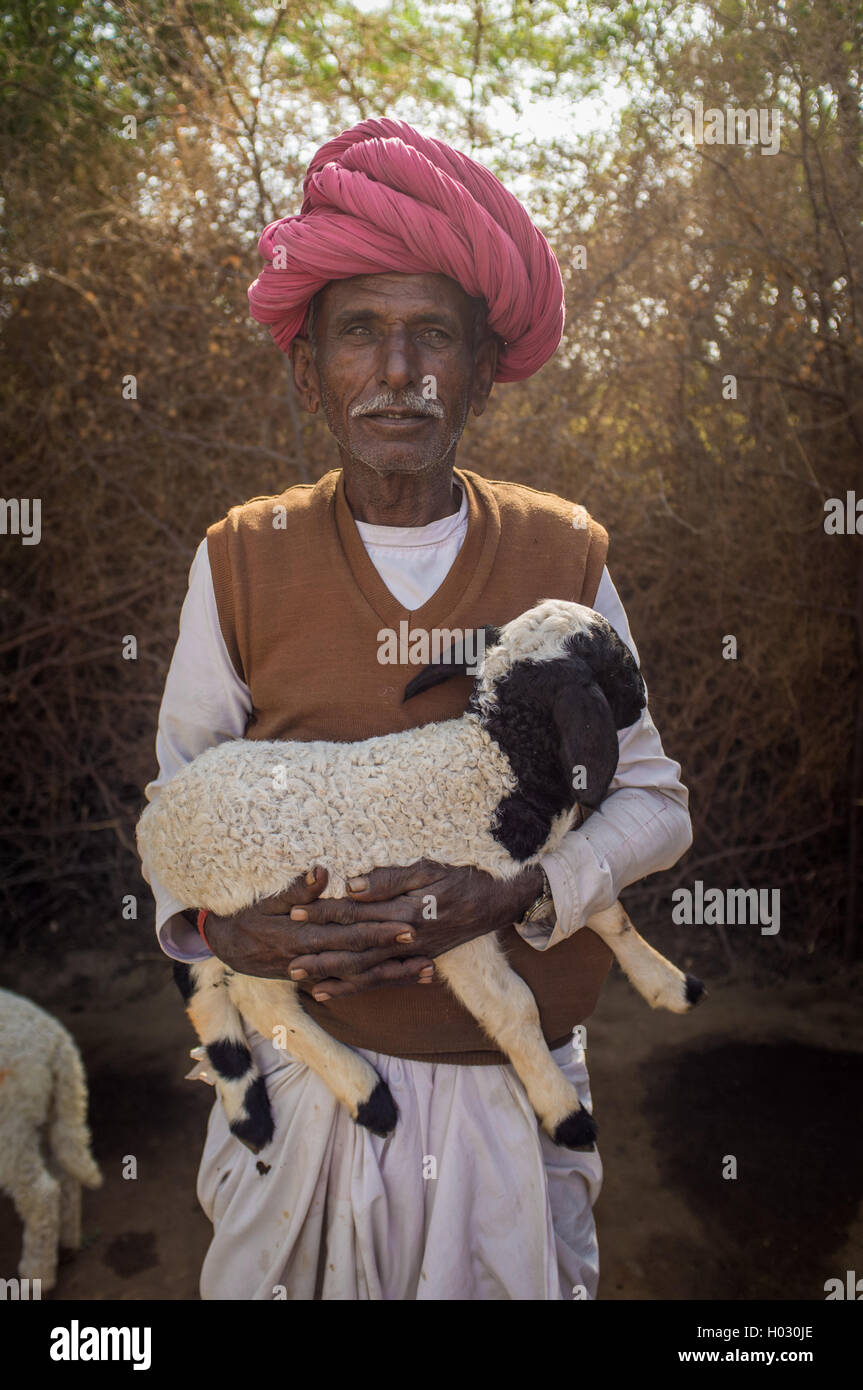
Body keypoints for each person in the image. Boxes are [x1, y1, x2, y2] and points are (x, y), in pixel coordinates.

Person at [140, 118, 692, 1300]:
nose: (400, 373)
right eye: (360, 336)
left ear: (482, 367)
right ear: (308, 369)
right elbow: (177, 803)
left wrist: (517, 892)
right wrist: (219, 933)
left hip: (509, 1079)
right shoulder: (242, 556)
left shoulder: (562, 554)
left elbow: (651, 798)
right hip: (306, 1085)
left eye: (432, 335)